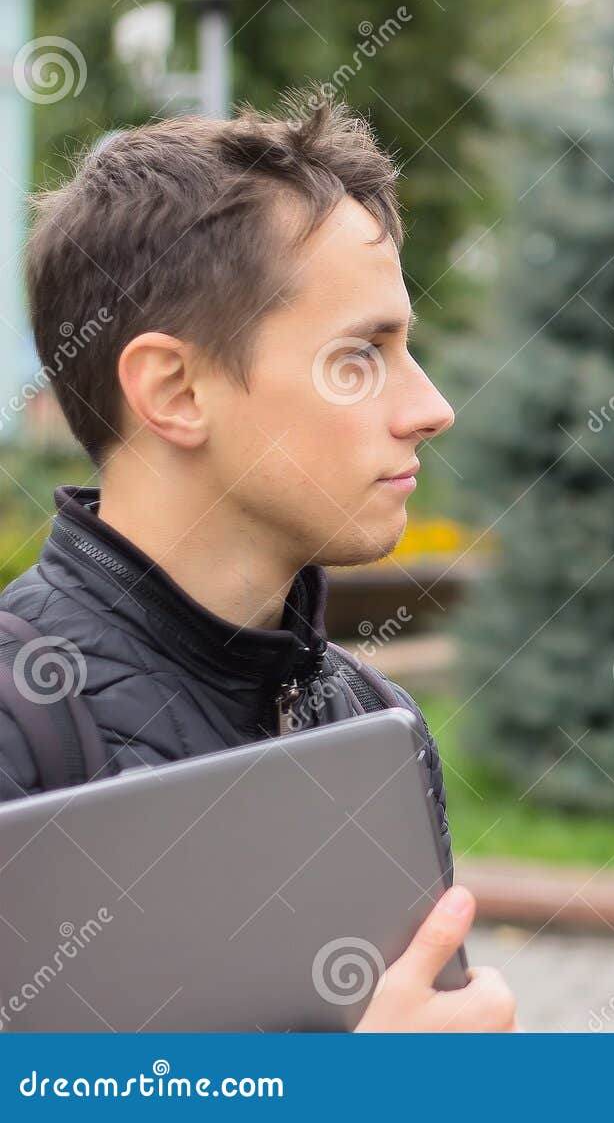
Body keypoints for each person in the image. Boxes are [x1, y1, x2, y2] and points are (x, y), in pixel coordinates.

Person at [3, 100, 516, 1032]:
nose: (432, 407)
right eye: (361, 355)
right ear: (175, 390)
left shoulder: (372, 720)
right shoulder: (17, 723)